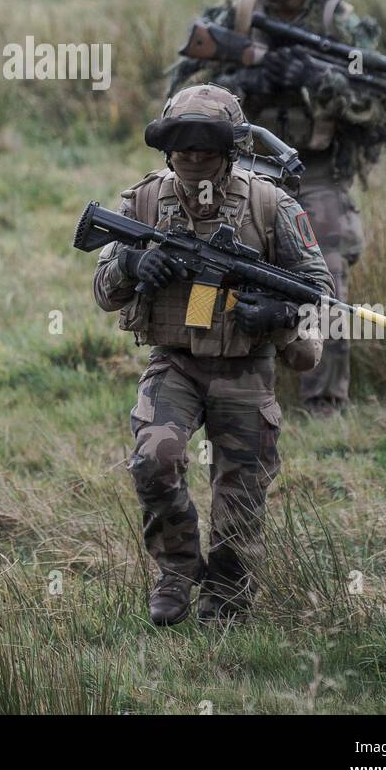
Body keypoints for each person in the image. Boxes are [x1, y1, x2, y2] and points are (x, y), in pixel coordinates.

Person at [93, 84, 332, 626]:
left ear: (230, 152)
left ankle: (225, 603)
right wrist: (133, 266)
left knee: (241, 495)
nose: (195, 163)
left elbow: (317, 286)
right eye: (184, 153)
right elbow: (104, 291)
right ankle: (176, 571)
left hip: (245, 367)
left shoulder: (271, 204)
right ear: (166, 152)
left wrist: (274, 313)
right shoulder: (144, 201)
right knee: (154, 460)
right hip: (174, 361)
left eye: (207, 152)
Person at [168, 0, 386, 417]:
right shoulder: (239, 13)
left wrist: (319, 83)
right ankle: (193, 380)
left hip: (312, 168)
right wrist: (244, 85)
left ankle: (324, 401)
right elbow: (185, 89)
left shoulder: (337, 22)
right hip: (239, 168)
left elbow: (376, 105)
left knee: (327, 276)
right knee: (206, 263)